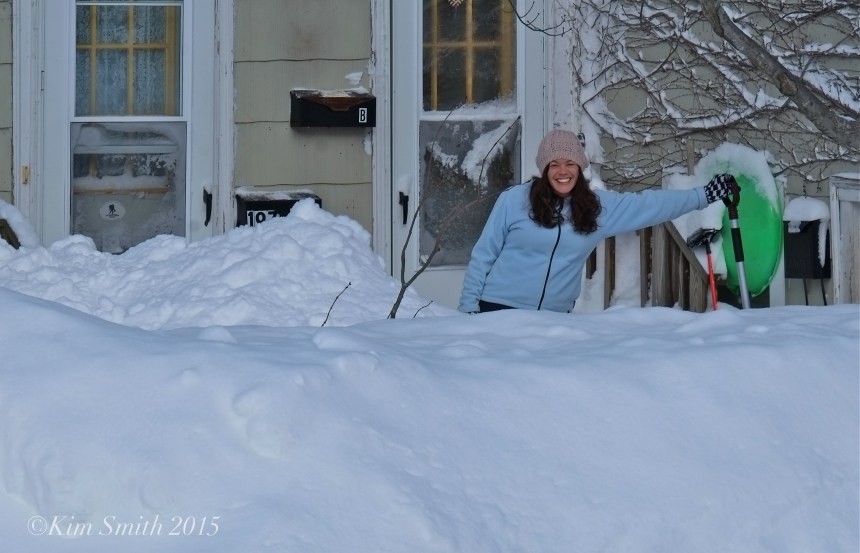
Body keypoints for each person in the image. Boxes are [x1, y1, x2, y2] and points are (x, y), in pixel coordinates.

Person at [458, 129, 737, 313]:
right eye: (554, 164)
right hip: (498, 310)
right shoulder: (513, 201)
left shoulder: (596, 209)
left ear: (580, 167)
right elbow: (483, 255)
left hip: (553, 322)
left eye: (570, 163)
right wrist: (468, 308)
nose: (563, 171)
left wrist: (705, 195)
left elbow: (650, 205)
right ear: (544, 169)